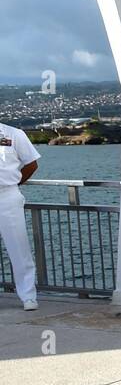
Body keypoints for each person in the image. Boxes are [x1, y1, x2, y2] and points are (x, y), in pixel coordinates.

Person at [0, 121, 42, 311]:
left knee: (18, 246)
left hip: (7, 195)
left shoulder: (14, 134)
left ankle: (28, 296)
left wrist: (15, 182)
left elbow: (32, 164)